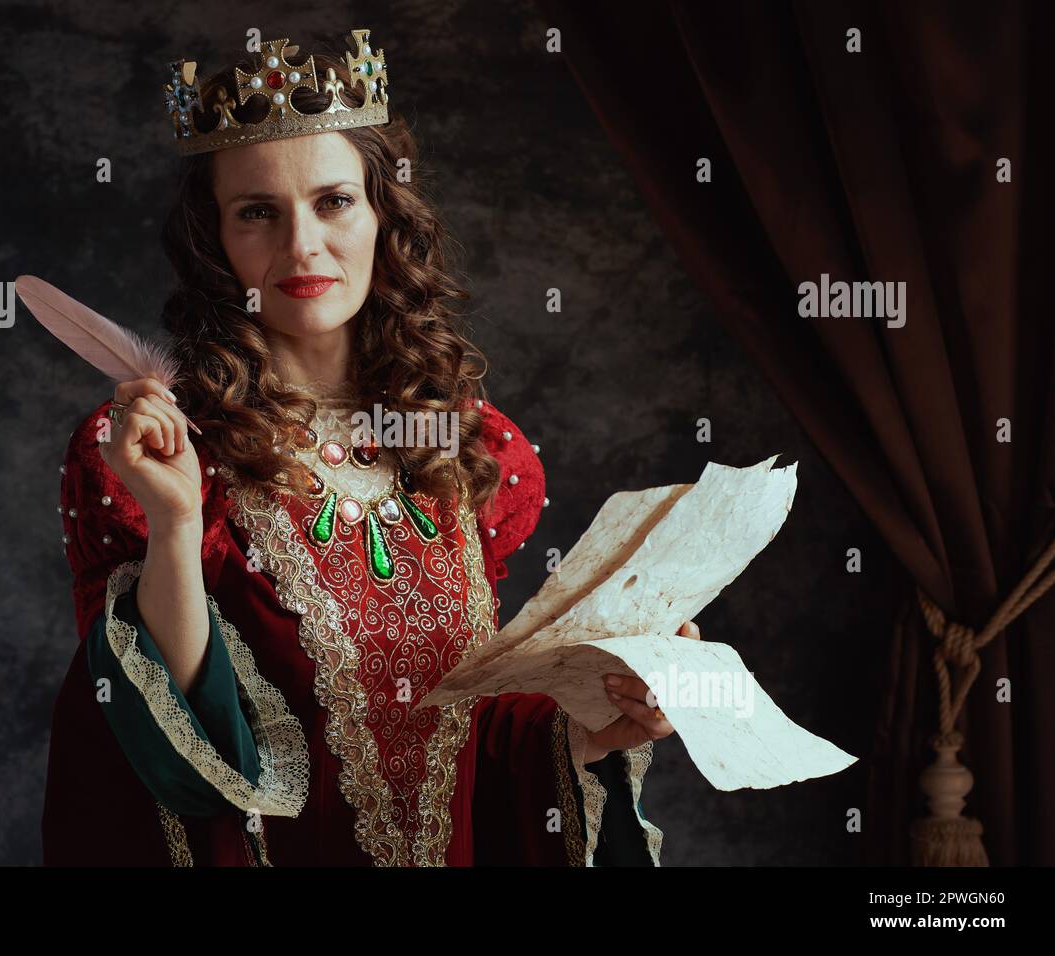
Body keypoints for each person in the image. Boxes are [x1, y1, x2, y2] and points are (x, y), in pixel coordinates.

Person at [41, 28, 699, 866]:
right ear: (215, 240)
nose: (302, 247)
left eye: (333, 202)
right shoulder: (153, 452)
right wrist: (175, 525)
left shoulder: (464, 447)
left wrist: (600, 717)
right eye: (257, 214)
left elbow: (469, 740)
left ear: (384, 211)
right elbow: (172, 747)